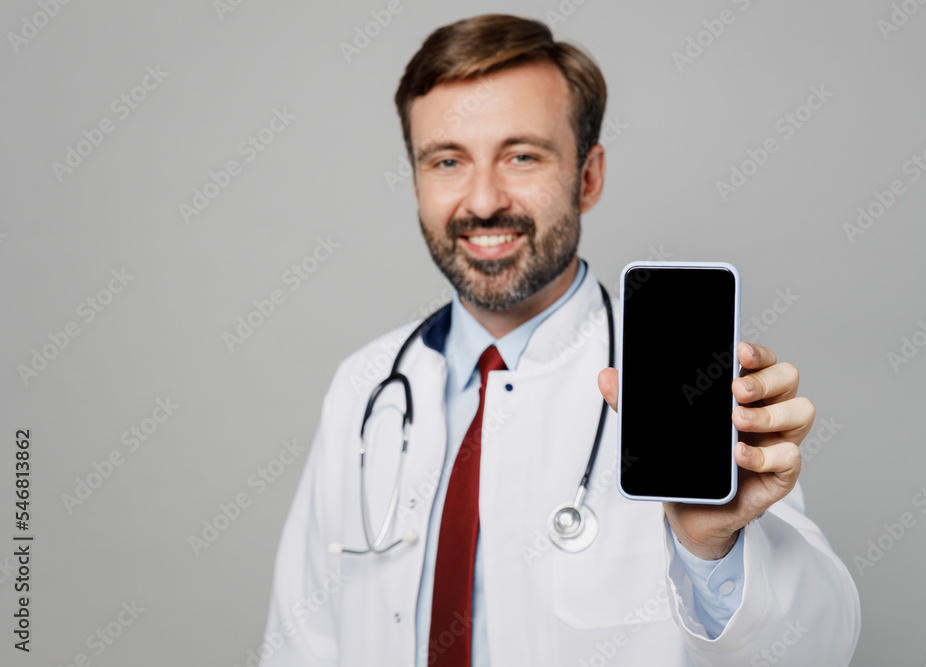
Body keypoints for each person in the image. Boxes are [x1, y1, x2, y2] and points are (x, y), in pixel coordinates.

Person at [260, 14, 860, 666]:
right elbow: (299, 641)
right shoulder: (363, 387)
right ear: (415, 180)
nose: (483, 200)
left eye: (522, 155)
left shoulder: (686, 382)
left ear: (588, 176)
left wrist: (713, 549)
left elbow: (814, 648)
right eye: (447, 160)